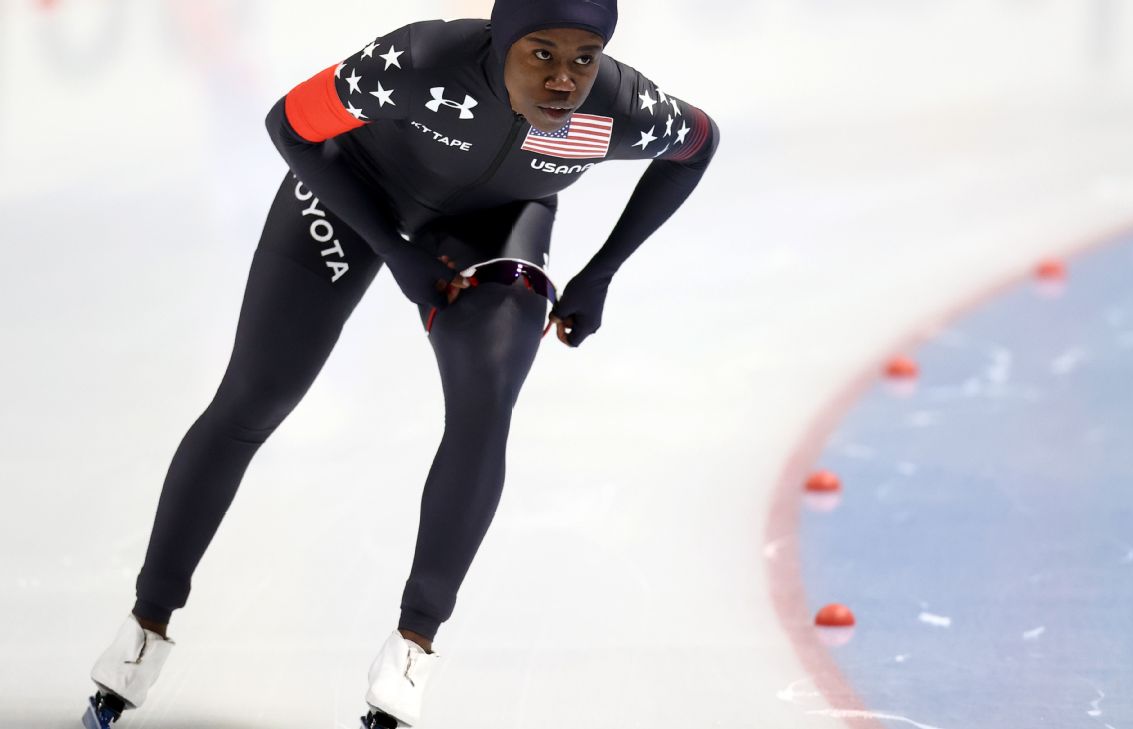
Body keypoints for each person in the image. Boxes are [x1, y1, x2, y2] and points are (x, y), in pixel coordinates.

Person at [82, 0, 720, 727]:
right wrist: (395, 250)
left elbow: (699, 146)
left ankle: (412, 650)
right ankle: (145, 625)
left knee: (485, 404)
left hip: (496, 225)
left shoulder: (622, 103)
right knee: (253, 401)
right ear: (501, 41)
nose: (563, 79)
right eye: (540, 53)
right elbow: (289, 122)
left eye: (584, 57)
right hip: (359, 200)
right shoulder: (421, 62)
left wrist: (601, 272)